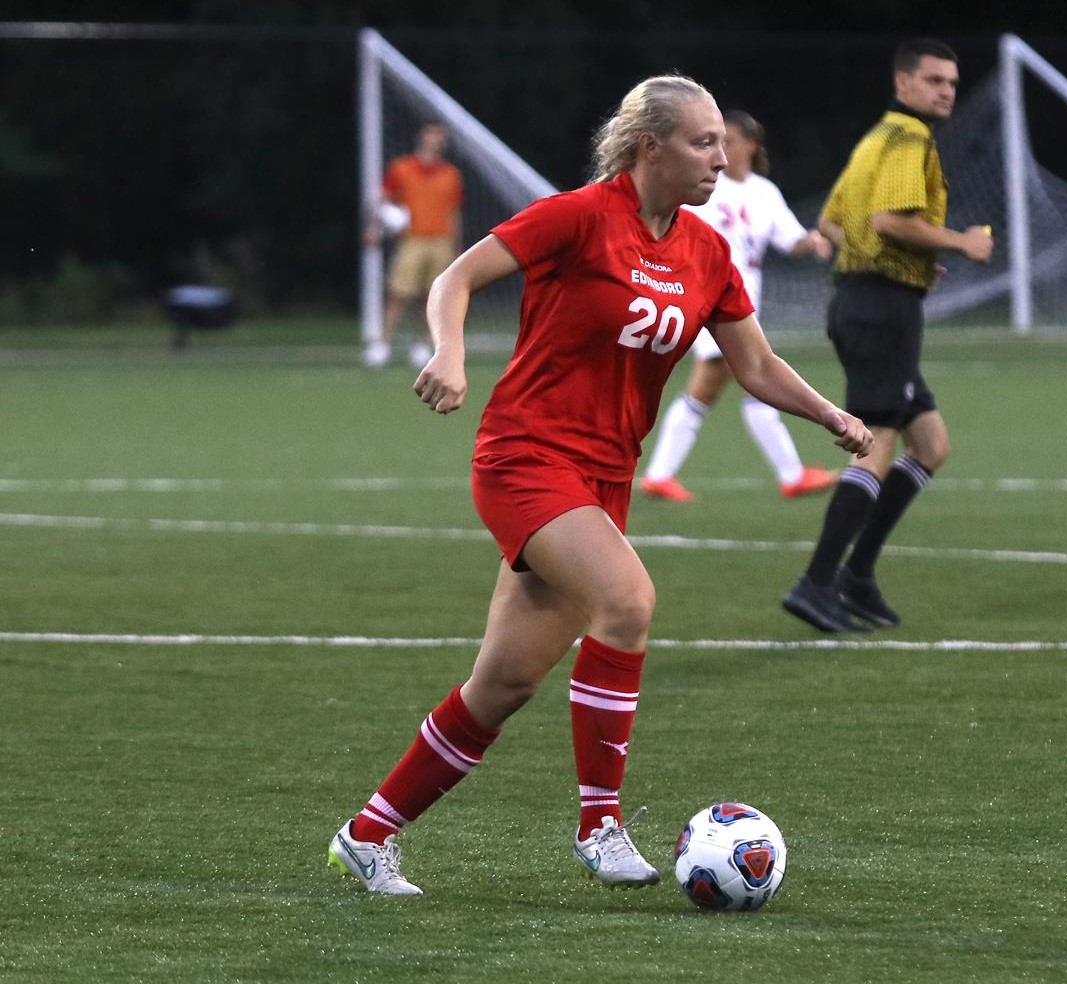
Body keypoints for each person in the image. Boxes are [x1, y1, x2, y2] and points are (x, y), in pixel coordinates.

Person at [328, 74, 873, 896]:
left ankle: (367, 835)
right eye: (702, 142)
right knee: (629, 600)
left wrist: (830, 415)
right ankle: (600, 825)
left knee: (505, 683)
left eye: (721, 143)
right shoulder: (579, 216)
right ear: (651, 147)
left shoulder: (705, 251)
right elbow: (454, 279)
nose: (720, 158)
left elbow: (755, 365)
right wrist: (449, 352)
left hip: (604, 476)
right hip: (526, 456)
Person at [781, 38, 994, 634]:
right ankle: (816, 581)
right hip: (881, 308)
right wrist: (960, 242)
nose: (946, 91)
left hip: (868, 302)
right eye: (934, 80)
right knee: (875, 443)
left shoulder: (875, 139)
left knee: (929, 445)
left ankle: (857, 574)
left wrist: (908, 258)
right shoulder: (910, 138)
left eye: (951, 83)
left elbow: (832, 222)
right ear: (903, 83)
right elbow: (888, 220)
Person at [640, 109, 838, 503]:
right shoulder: (702, 186)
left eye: (727, 140)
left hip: (742, 303)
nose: (720, 149)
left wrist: (813, 241)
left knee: (720, 387)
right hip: (706, 299)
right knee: (751, 380)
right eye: (712, 141)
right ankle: (791, 475)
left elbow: (790, 240)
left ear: (751, 145)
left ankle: (660, 475)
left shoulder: (764, 192)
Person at [363, 121, 463, 370]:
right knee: (398, 293)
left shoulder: (451, 174)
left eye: (440, 136)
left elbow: (454, 212)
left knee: (434, 297)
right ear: (422, 136)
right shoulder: (402, 168)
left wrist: (456, 246)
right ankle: (382, 345)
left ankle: (422, 345)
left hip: (441, 240)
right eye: (432, 134)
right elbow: (382, 198)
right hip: (412, 239)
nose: (436, 140)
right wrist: (374, 226)